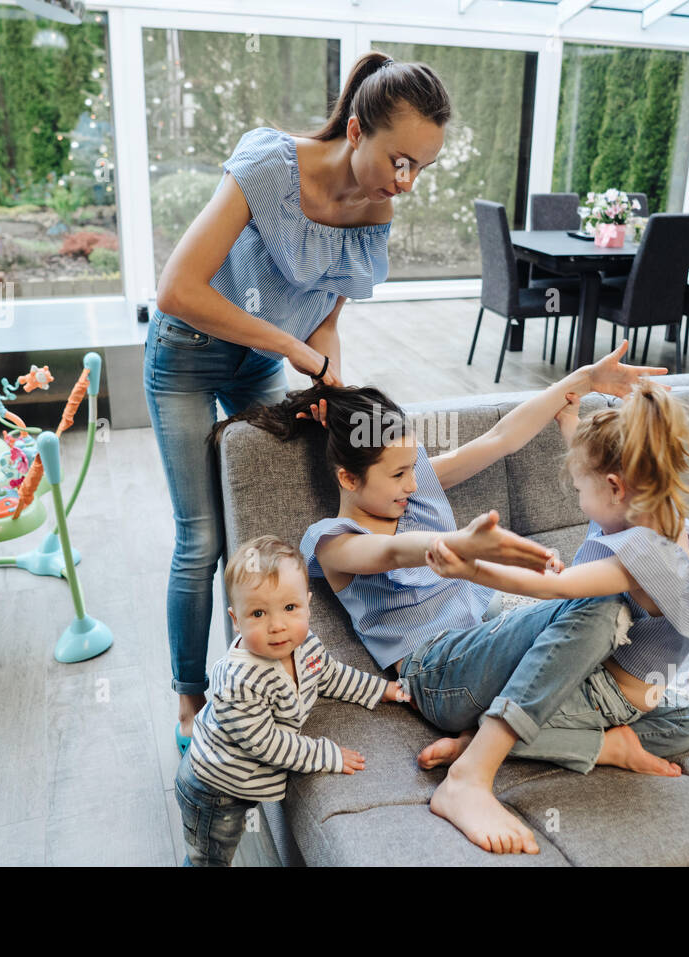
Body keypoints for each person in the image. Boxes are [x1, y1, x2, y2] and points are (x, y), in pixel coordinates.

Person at [212, 343, 689, 854]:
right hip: (439, 673)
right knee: (600, 605)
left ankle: (486, 740)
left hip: (495, 640)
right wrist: (454, 545)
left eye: (412, 466)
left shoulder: (415, 492)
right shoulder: (333, 541)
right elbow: (395, 552)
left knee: (679, 722)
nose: (413, 483)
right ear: (349, 478)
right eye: (397, 475)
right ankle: (468, 779)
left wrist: (584, 378)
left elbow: (502, 438)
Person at [146, 51, 451, 754]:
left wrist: (326, 380)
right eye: (397, 160)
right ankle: (192, 694)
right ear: (355, 129)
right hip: (186, 350)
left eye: (420, 170)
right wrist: (293, 348)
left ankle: (254, 673)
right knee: (202, 539)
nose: (404, 183)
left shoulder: (375, 211)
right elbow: (177, 289)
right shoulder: (267, 167)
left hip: (263, 359)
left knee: (251, 530)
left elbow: (325, 321)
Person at [421, 377, 689, 778]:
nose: (580, 497)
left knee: (683, 719)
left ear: (616, 487)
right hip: (618, 686)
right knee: (686, 722)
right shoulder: (664, 516)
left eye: (581, 488)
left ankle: (478, 741)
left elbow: (555, 587)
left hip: (603, 695)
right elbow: (602, 467)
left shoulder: (641, 558)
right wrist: (571, 424)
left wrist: (472, 569)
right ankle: (589, 739)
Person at [176, 534, 411, 866]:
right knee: (209, 859)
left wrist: (379, 689)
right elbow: (267, 744)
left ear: (307, 604)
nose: (278, 626)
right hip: (214, 789)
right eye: (258, 613)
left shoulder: (305, 645)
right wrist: (325, 753)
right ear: (236, 620)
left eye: (290, 608)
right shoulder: (238, 680)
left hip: (242, 782)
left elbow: (330, 675)